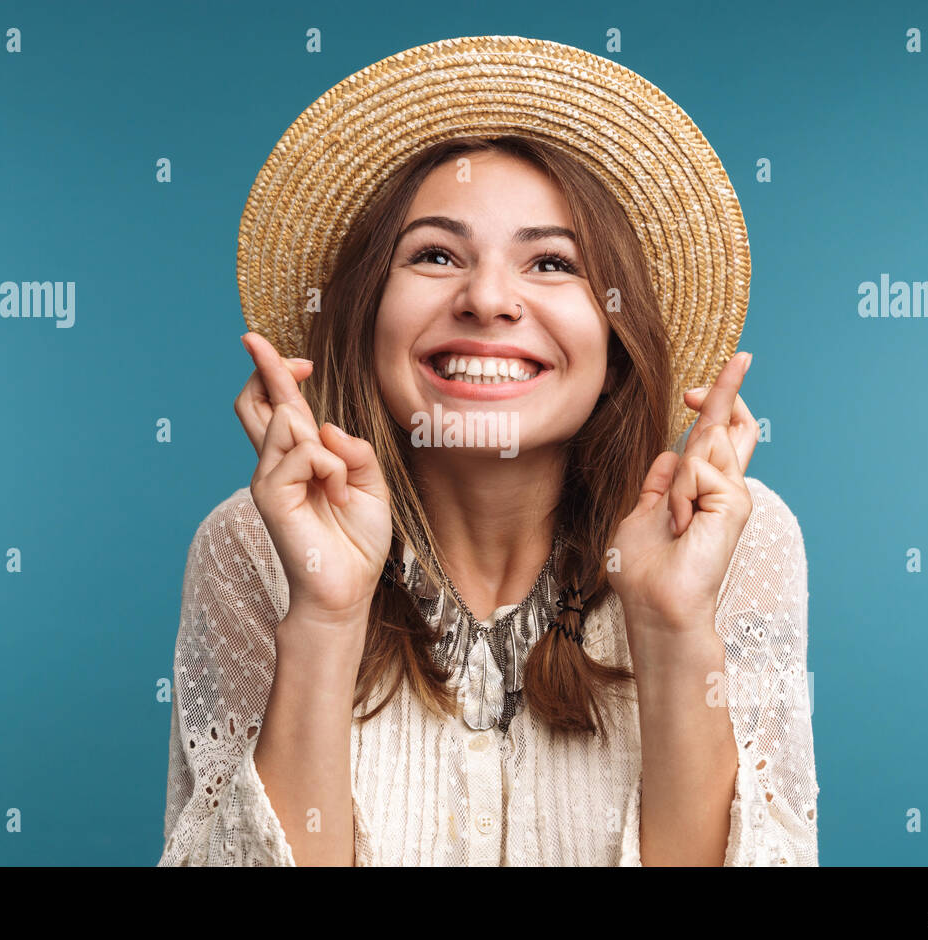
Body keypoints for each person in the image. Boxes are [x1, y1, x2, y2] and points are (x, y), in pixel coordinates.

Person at [158, 37, 819, 866]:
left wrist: (672, 622)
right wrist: (324, 615)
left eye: (551, 262)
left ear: (615, 340)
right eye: (435, 255)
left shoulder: (737, 546)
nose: (488, 299)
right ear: (366, 319)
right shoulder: (251, 546)